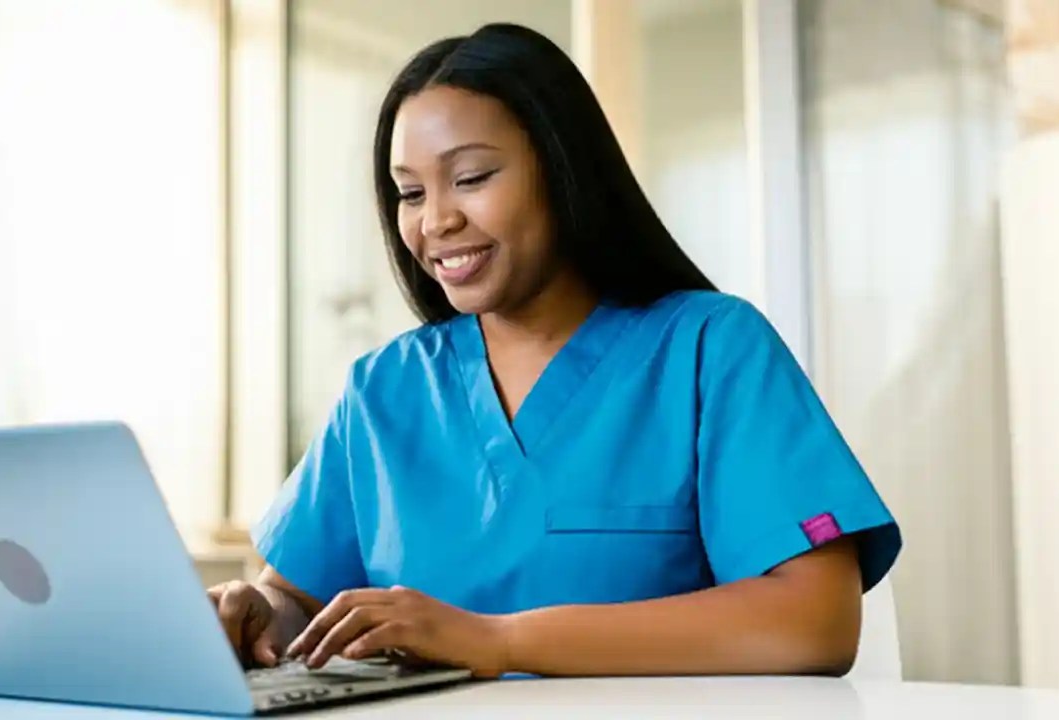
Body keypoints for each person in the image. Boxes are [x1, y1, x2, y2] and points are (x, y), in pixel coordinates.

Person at [207, 22, 900, 679]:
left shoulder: (709, 349)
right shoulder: (384, 390)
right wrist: (254, 616)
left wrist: (498, 639)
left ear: (564, 168)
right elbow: (296, 596)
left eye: (472, 178)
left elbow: (817, 620)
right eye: (410, 192)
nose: (437, 219)